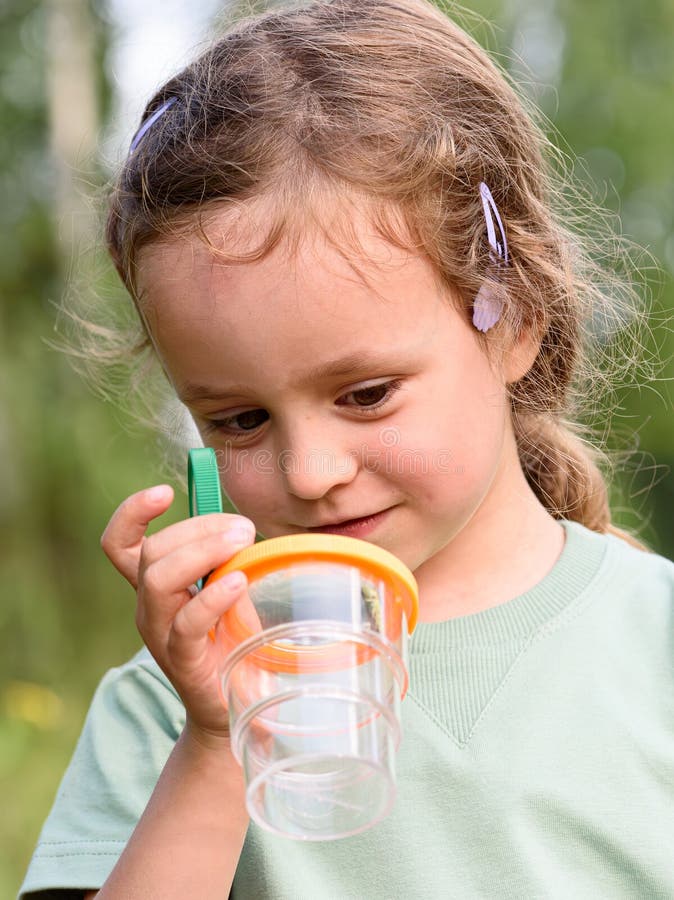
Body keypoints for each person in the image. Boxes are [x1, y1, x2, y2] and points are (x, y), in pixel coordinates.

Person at [20, 0, 674, 897]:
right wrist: (214, 746)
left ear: (512, 316)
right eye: (239, 419)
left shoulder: (655, 647)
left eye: (365, 395)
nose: (309, 473)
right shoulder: (169, 703)